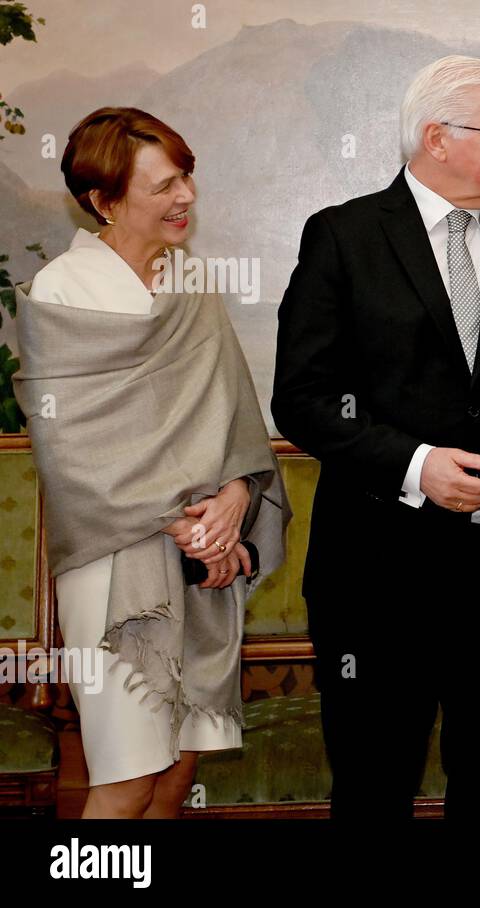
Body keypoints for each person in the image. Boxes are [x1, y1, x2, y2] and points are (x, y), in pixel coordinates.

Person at [272, 55, 480, 819]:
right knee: (374, 789)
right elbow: (303, 398)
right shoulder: (343, 237)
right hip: (376, 580)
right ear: (437, 137)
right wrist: (415, 465)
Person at [13, 107, 289, 819]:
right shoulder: (62, 293)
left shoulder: (190, 282)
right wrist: (190, 527)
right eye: (164, 185)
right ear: (104, 200)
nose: (186, 197)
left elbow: (235, 417)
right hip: (116, 562)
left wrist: (231, 507)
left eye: (187, 178)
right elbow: (74, 455)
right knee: (130, 774)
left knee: (176, 774)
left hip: (209, 555)